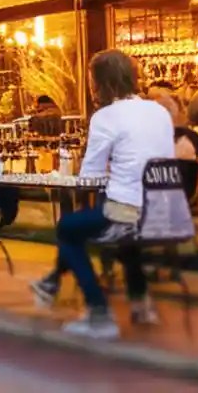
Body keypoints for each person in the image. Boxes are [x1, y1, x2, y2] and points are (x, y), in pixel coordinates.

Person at [30, 49, 174, 339]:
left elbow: (88, 177)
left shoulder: (105, 117)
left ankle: (98, 313)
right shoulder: (159, 111)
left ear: (102, 83)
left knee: (68, 229)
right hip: (163, 212)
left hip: (128, 212)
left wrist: (107, 172)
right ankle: (140, 304)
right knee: (121, 226)